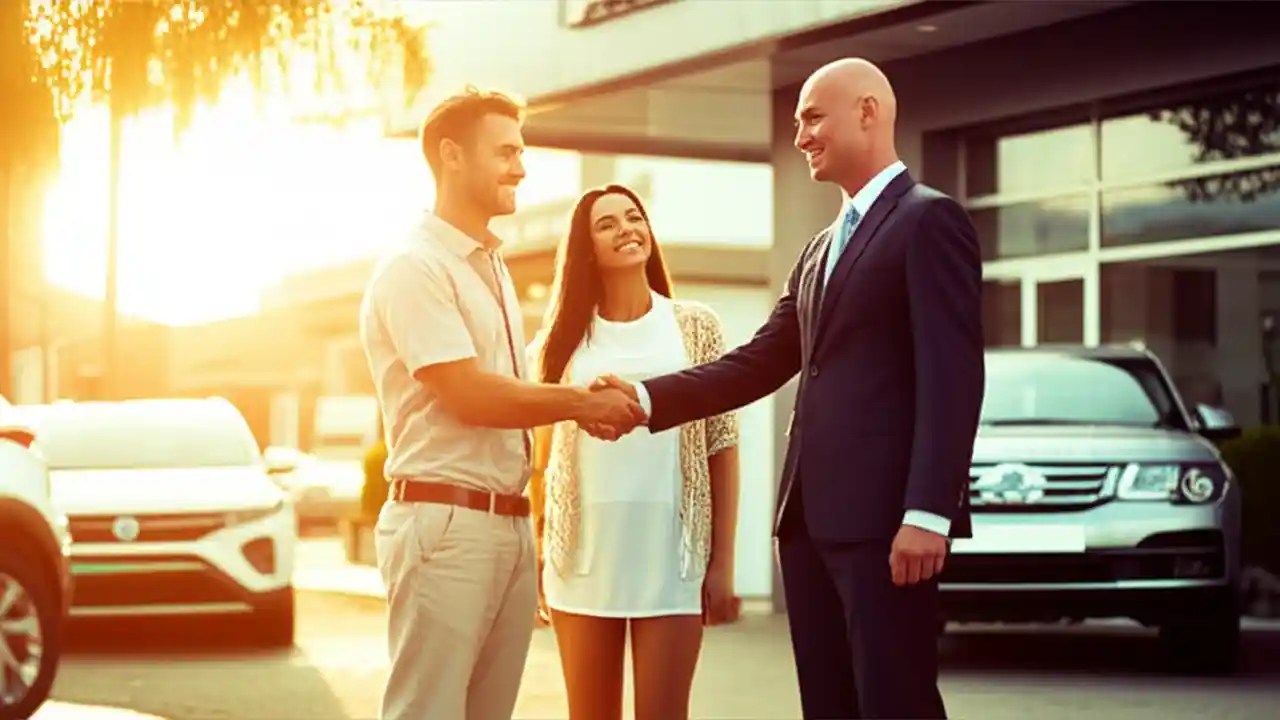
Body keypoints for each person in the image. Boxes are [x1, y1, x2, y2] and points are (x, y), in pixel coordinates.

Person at [592, 58, 984, 719]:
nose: (800, 136)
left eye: (812, 117)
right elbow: (757, 363)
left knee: (897, 702)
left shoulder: (929, 221)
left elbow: (954, 377)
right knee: (828, 706)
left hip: (887, 527)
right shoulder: (819, 249)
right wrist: (644, 399)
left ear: (867, 111)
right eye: (796, 122)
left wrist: (928, 512)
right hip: (807, 525)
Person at [357, 87, 646, 720]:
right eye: (506, 152)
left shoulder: (489, 266)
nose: (520, 166)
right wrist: (580, 403)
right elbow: (466, 392)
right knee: (427, 711)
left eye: (521, 151)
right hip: (445, 524)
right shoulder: (415, 266)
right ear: (452, 156)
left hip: (507, 526)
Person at [525, 184, 742, 720]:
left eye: (634, 216)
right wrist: (535, 553)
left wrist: (722, 565)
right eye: (607, 224)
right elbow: (538, 459)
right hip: (581, 558)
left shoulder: (696, 326)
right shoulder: (557, 342)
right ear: (587, 249)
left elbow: (722, 445)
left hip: (672, 557)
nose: (627, 229)